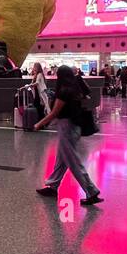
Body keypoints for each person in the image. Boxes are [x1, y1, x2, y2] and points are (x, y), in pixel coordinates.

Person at [34, 65, 102, 205]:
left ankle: (92, 191)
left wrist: (39, 124)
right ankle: (53, 186)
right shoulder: (75, 88)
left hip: (67, 128)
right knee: (61, 159)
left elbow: (54, 113)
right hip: (75, 127)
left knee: (73, 162)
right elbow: (86, 94)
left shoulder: (64, 91)